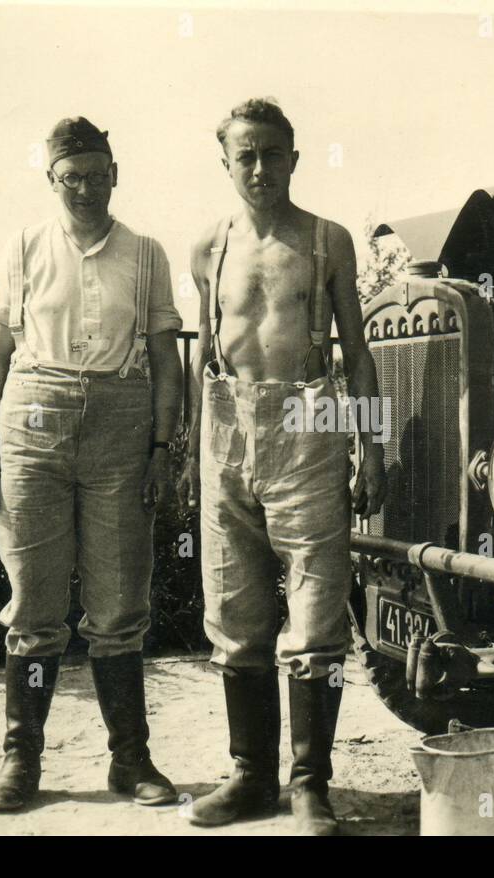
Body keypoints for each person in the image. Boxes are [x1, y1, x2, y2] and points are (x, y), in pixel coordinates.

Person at [177, 98, 387, 835]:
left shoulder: (328, 241)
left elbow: (356, 351)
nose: (260, 168)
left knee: (316, 610)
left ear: (295, 158)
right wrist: (188, 452)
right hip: (228, 429)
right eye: (246, 156)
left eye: (273, 154)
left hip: (309, 421)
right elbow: (201, 353)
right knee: (233, 611)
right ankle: (249, 779)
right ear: (226, 163)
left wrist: (373, 447)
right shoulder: (208, 246)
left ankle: (309, 787)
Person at [0, 116, 183, 812]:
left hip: (121, 426)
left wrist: (161, 447)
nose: (86, 189)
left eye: (98, 174)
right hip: (33, 421)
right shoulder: (26, 245)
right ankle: (20, 763)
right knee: (34, 602)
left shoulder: (147, 253)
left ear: (115, 173)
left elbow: (164, 360)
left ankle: (132, 760)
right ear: (52, 180)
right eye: (72, 178)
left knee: (120, 601)